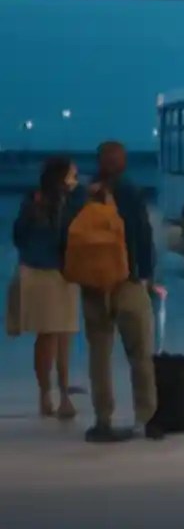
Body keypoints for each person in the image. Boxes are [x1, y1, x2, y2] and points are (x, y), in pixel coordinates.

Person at [68, 141, 165, 442]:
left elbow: (67, 235)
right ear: (122, 163)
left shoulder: (83, 196)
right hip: (128, 282)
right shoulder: (131, 191)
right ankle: (147, 418)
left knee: (99, 355)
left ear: (99, 162)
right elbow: (143, 233)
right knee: (140, 354)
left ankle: (103, 420)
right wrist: (146, 274)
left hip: (94, 286)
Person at [11, 157, 81, 419]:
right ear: (61, 179)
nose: (76, 180)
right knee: (63, 338)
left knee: (46, 338)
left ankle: (45, 395)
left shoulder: (32, 201)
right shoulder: (68, 203)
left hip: (34, 273)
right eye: (73, 175)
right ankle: (63, 396)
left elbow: (18, 236)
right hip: (60, 274)